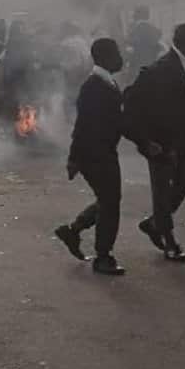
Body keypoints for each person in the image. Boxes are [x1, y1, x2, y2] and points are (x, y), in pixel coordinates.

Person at [122, 23, 185, 262]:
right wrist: (146, 141)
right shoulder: (163, 68)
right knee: (163, 192)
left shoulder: (177, 66)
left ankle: (155, 223)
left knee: (184, 183)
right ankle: (168, 241)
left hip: (177, 143)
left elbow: (173, 103)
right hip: (161, 144)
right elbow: (132, 99)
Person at [54, 38, 129, 276]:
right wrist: (74, 158)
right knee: (110, 202)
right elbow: (83, 125)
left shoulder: (107, 83)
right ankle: (103, 256)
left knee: (108, 200)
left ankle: (73, 230)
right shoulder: (94, 87)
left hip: (101, 151)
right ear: (105, 57)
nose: (121, 58)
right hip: (95, 153)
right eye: (116, 53)